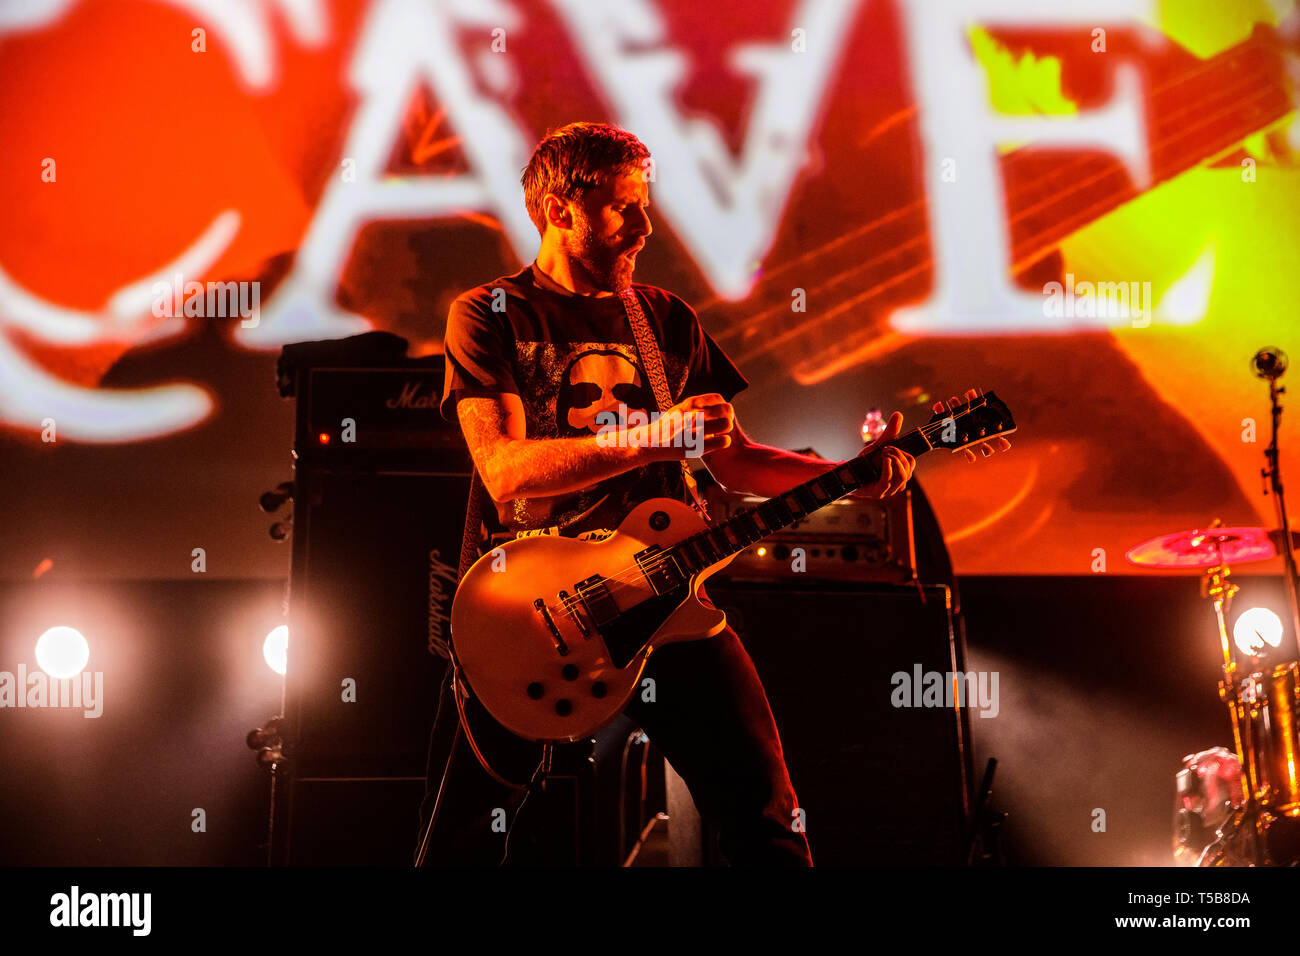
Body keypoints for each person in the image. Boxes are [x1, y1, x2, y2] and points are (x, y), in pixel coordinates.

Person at [417, 121, 1006, 867]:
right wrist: (656, 436)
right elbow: (504, 473)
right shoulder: (488, 313)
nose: (644, 225)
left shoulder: (665, 319)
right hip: (530, 611)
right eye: (621, 207)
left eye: (646, 204)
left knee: (768, 815)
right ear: (557, 210)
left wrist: (856, 471)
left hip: (667, 600)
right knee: (465, 841)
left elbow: (735, 462)